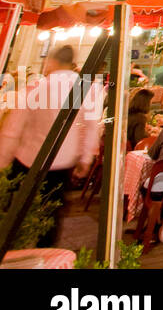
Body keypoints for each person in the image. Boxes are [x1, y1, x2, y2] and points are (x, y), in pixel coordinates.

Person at [0, 45, 101, 244]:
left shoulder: (38, 86)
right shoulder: (86, 88)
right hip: (61, 163)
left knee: (13, 210)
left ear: (52, 62)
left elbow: (14, 128)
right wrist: (85, 158)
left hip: (28, 159)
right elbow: (91, 127)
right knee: (50, 215)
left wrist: (3, 160)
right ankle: (42, 257)